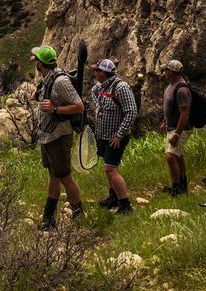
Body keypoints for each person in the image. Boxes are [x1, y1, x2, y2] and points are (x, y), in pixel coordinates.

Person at [32, 45, 85, 229]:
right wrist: (38, 96)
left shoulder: (60, 81)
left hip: (59, 136)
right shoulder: (47, 78)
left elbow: (79, 106)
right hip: (47, 135)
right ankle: (49, 219)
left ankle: (79, 215)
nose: (34, 61)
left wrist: (54, 109)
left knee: (64, 176)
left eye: (36, 59)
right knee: (53, 175)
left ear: (40, 64)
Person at [90, 59, 137, 214]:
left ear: (103, 73)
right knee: (109, 168)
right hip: (103, 135)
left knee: (110, 168)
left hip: (115, 138)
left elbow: (131, 112)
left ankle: (125, 204)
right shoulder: (101, 86)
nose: (95, 73)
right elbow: (93, 92)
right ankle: (113, 197)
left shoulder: (121, 87)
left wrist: (119, 135)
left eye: (96, 70)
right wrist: (99, 106)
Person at [159, 59, 192, 195]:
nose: (164, 72)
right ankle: (183, 186)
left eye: (165, 70)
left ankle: (176, 187)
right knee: (178, 156)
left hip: (181, 128)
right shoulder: (170, 86)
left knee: (170, 156)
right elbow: (168, 107)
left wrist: (177, 134)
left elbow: (185, 114)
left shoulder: (182, 90)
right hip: (171, 126)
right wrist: (164, 122)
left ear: (171, 72)